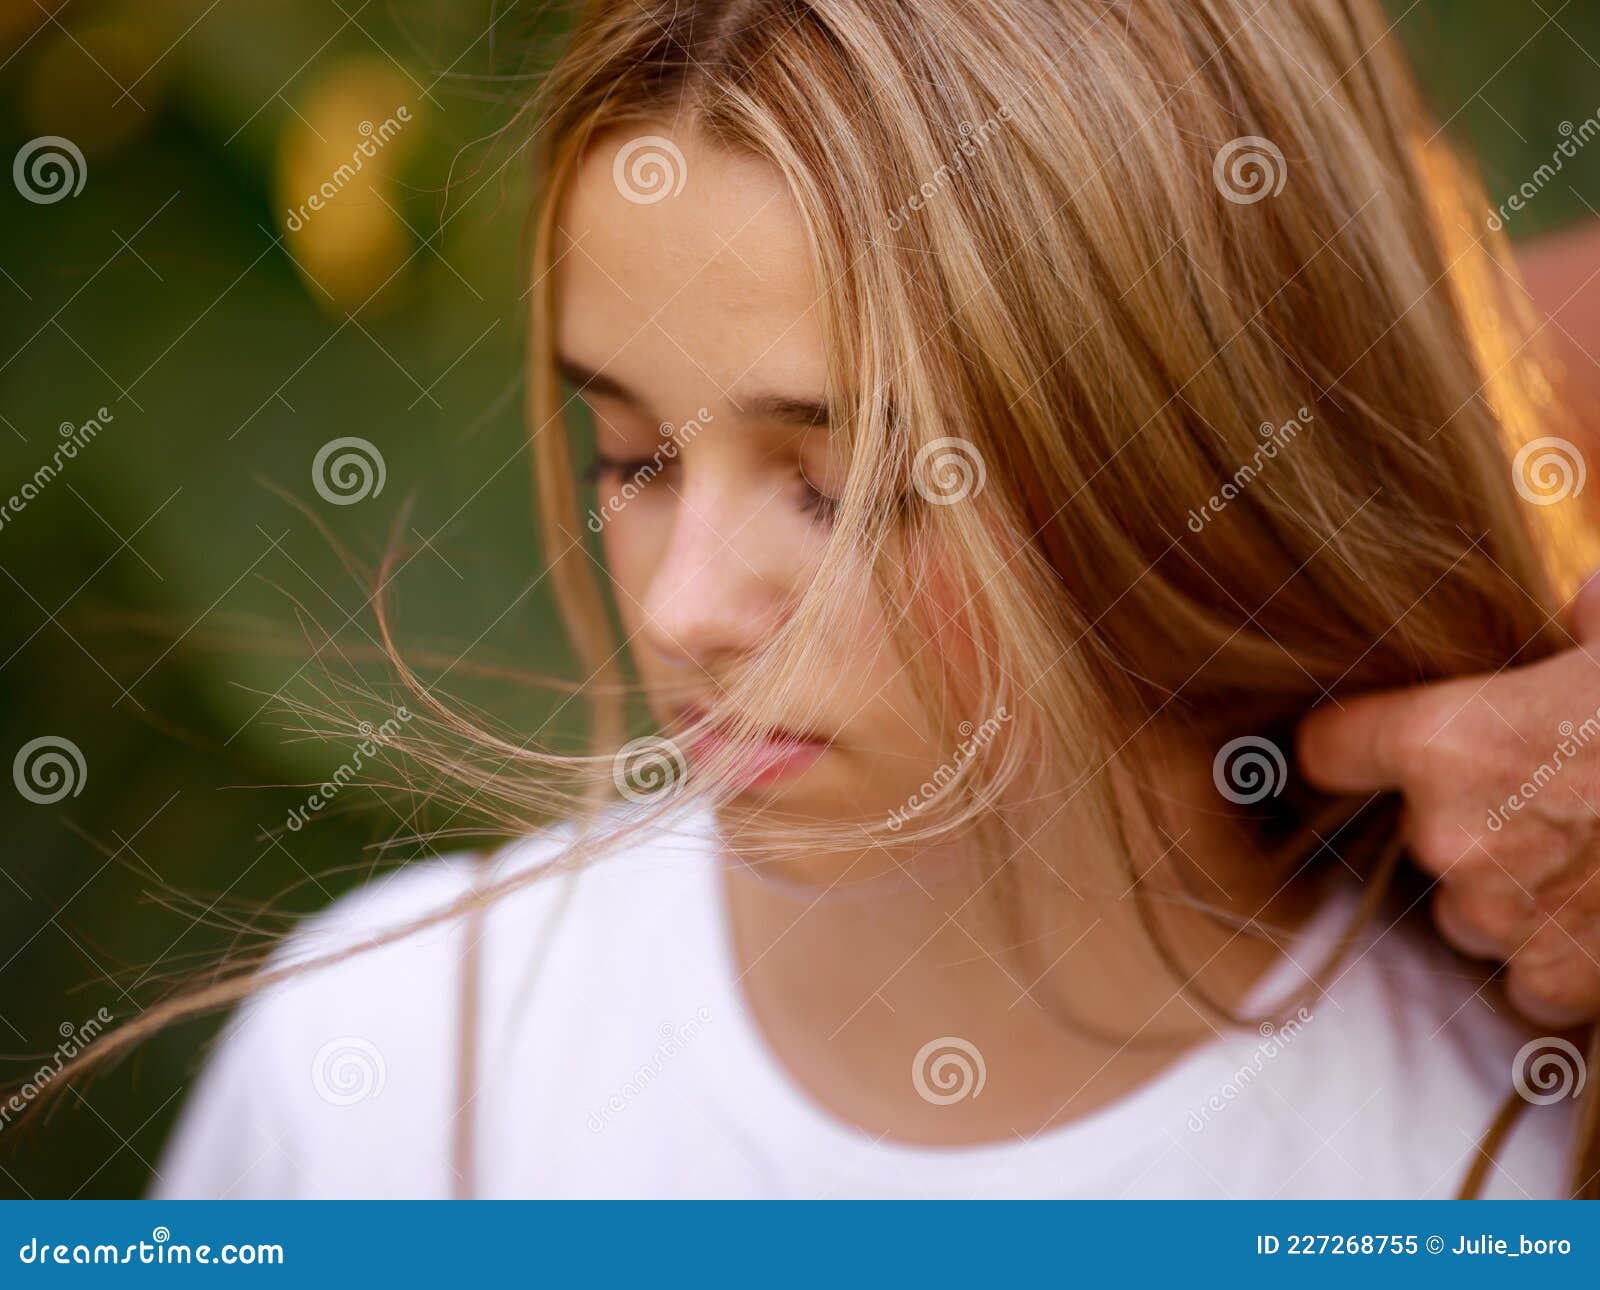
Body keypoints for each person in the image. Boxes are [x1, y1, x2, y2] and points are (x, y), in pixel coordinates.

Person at [47, 0, 1600, 1198]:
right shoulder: (385, 1075)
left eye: (847, 486)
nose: (687, 608)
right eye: (632, 454)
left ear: (1193, 440)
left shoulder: (1509, 1137)